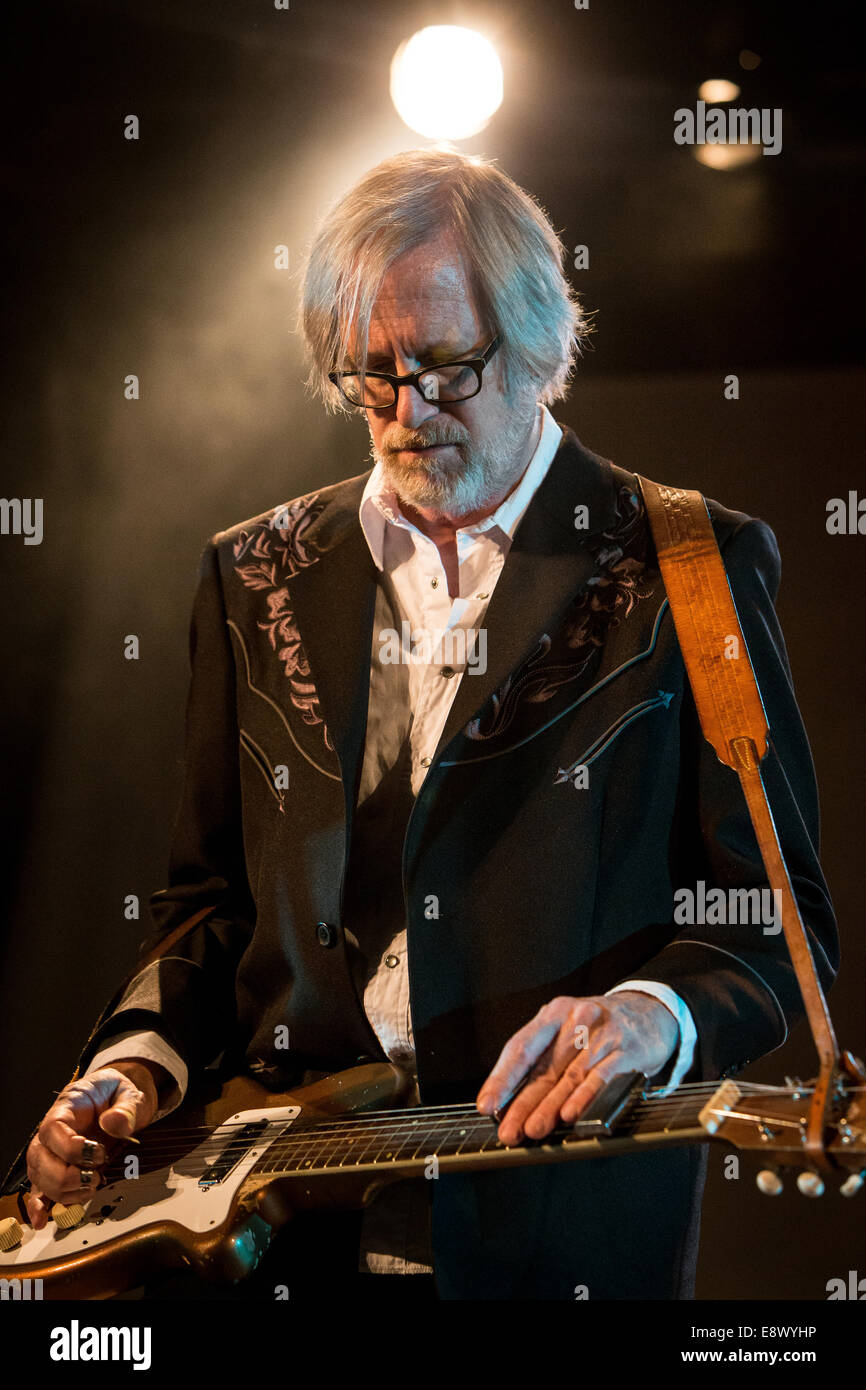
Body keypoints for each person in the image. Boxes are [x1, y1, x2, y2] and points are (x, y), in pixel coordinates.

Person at [17, 148, 838, 1300]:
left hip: (553, 1238)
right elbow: (204, 908)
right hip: (277, 1240)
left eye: (446, 367)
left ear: (537, 344)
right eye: (371, 377)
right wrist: (131, 1062)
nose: (407, 414)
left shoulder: (688, 566)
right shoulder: (252, 574)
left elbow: (773, 918)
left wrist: (651, 1017)